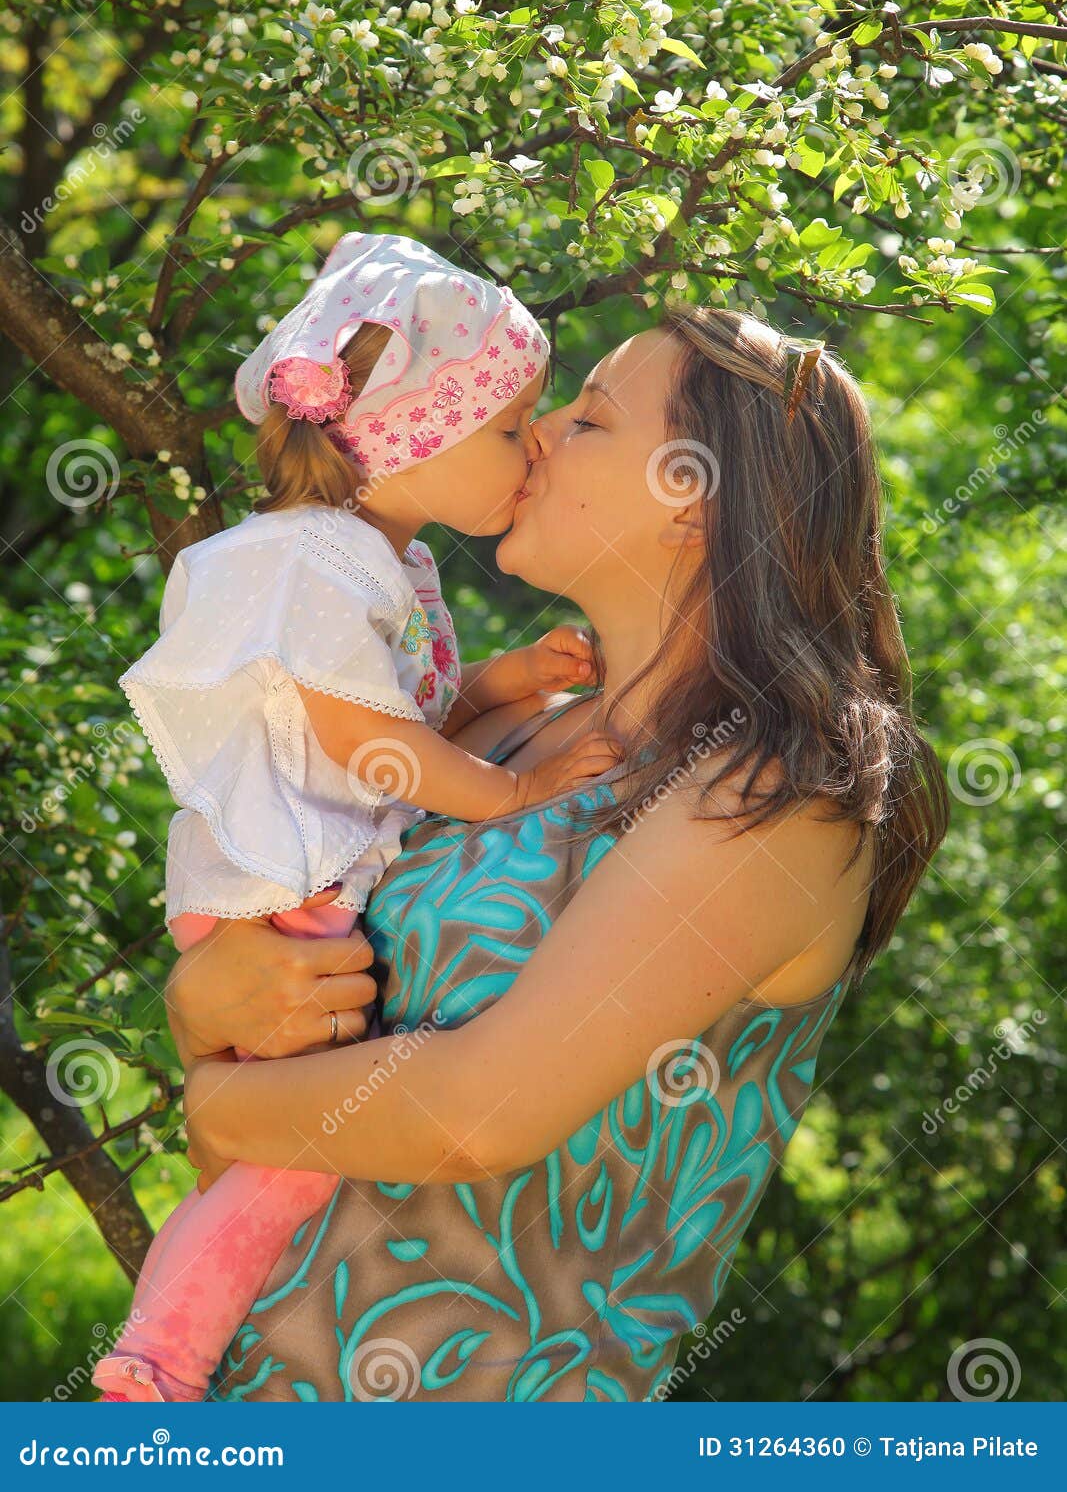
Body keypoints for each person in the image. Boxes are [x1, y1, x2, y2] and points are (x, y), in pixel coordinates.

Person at [170, 305, 949, 1403]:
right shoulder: (502, 740)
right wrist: (203, 1007)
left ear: (697, 493)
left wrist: (206, 1099)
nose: (533, 434)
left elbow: (475, 1110)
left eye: (587, 419)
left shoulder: (777, 799)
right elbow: (289, 992)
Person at [92, 232, 618, 1403]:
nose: (529, 450)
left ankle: (207, 1352)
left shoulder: (374, 560)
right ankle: (157, 1362)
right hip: (282, 902)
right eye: (503, 429)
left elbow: (407, 715)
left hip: (292, 899)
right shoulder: (315, 564)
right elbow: (367, 744)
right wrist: (519, 790)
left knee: (286, 1150)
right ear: (412, 438)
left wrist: (503, 685)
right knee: (288, 1157)